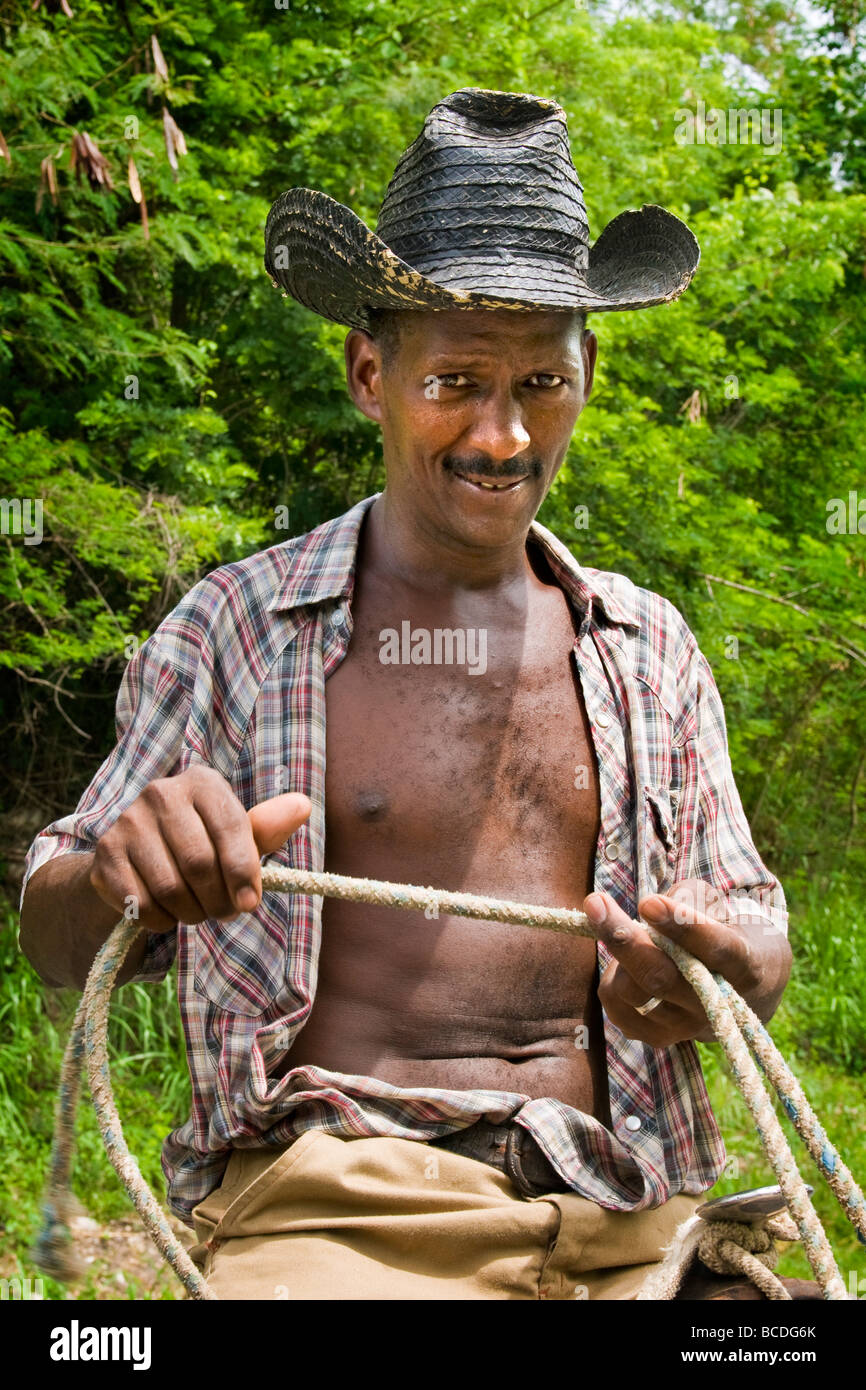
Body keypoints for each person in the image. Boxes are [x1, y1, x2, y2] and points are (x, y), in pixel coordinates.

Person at [19, 88, 792, 1302]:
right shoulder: (231, 629)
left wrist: (716, 968)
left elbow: (753, 933)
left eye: (543, 382)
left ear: (586, 373)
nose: (501, 434)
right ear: (369, 371)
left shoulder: (650, 646)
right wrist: (124, 869)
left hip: (626, 1209)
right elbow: (54, 933)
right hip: (344, 1210)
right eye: (457, 383)